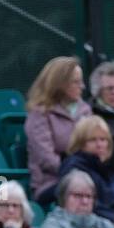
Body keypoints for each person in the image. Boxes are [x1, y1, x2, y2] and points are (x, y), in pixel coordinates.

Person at [25, 56, 93, 199]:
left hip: (87, 177)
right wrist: (76, 173)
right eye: (76, 82)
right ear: (59, 84)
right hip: (51, 183)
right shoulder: (40, 114)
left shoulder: (86, 111)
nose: (83, 86)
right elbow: (46, 158)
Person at [52, 115, 114, 219]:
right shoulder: (74, 169)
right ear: (80, 143)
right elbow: (91, 209)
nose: (99, 145)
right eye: (93, 140)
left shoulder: (111, 169)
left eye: (103, 139)